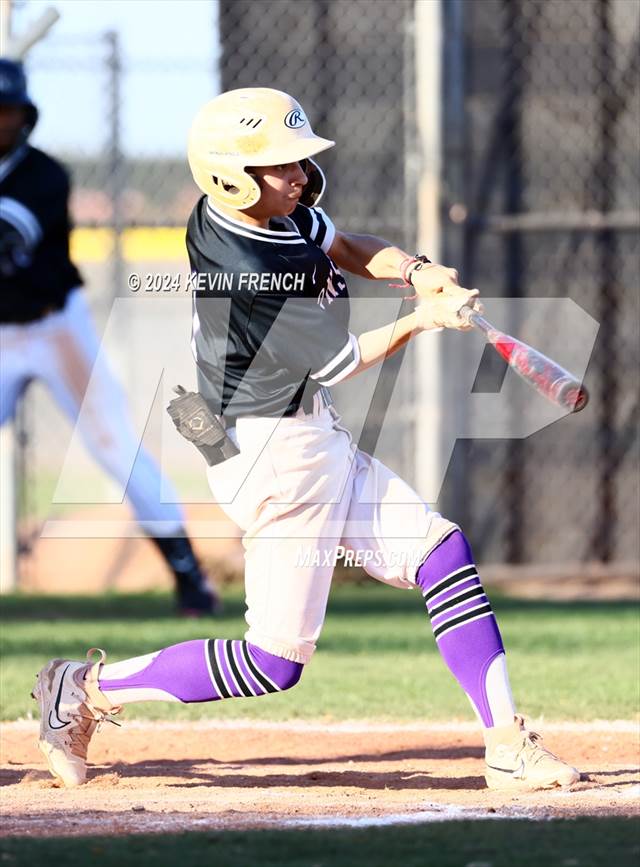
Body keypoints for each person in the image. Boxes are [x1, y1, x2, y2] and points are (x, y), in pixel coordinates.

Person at [31, 88, 579, 790]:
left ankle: (507, 745)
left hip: (304, 433)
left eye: (295, 162)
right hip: (274, 457)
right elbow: (342, 362)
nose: (297, 175)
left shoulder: (258, 213)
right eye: (279, 166)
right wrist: (423, 320)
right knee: (273, 662)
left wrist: (415, 272)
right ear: (231, 175)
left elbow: (347, 245)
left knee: (442, 552)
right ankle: (80, 688)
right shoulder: (251, 266)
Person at [0, 58, 218, 615]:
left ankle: (189, 576)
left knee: (114, 446)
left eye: (8, 112)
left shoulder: (44, 175)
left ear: (25, 118)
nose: (1, 121)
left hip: (53, 327)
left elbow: (11, 241)